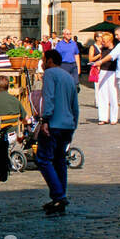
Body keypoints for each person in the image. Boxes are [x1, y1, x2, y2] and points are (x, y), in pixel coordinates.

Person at [36, 49, 78, 215]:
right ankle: (60, 196)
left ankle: (58, 195)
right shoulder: (68, 76)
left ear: (50, 60)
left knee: (43, 159)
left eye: (43, 59)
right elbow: (75, 104)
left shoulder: (50, 74)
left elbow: (49, 97)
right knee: (60, 160)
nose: (42, 63)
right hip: (67, 124)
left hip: (54, 123)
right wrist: (73, 124)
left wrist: (45, 119)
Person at [89, 31, 118, 125]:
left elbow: (110, 59)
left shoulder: (115, 49)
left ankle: (114, 118)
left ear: (109, 41)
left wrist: (100, 62)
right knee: (102, 94)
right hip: (103, 71)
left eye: (104, 41)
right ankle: (103, 117)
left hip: (112, 72)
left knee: (113, 94)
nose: (102, 43)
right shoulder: (103, 49)